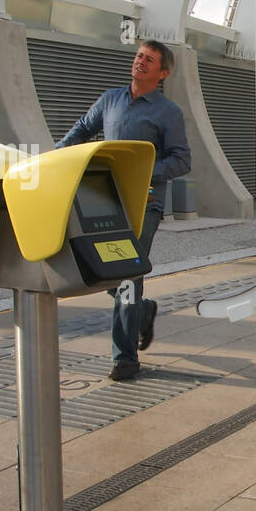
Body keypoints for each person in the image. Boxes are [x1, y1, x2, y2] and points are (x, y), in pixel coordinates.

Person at [58, 40, 191, 381]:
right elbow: (81, 130)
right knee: (102, 267)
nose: (141, 63)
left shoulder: (167, 112)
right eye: (139, 57)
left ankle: (125, 358)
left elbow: (181, 160)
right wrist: (51, 157)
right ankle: (142, 311)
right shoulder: (110, 99)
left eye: (150, 60)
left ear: (163, 73)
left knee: (129, 274)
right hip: (106, 202)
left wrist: (144, 173)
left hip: (145, 205)